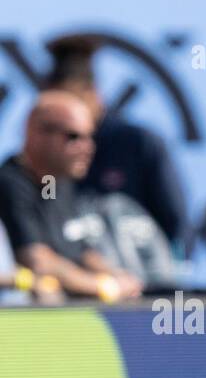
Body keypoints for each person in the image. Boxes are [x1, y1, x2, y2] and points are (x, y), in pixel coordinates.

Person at [44, 35, 189, 249]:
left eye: (72, 102)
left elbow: (177, 225)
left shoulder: (139, 144)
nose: (66, 116)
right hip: (77, 275)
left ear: (93, 94)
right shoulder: (46, 153)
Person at [0, 91, 142, 301]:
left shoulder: (58, 181)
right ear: (35, 133)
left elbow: (79, 249)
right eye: (74, 136)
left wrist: (117, 276)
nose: (88, 147)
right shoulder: (9, 182)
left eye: (90, 137)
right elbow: (38, 261)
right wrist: (103, 286)